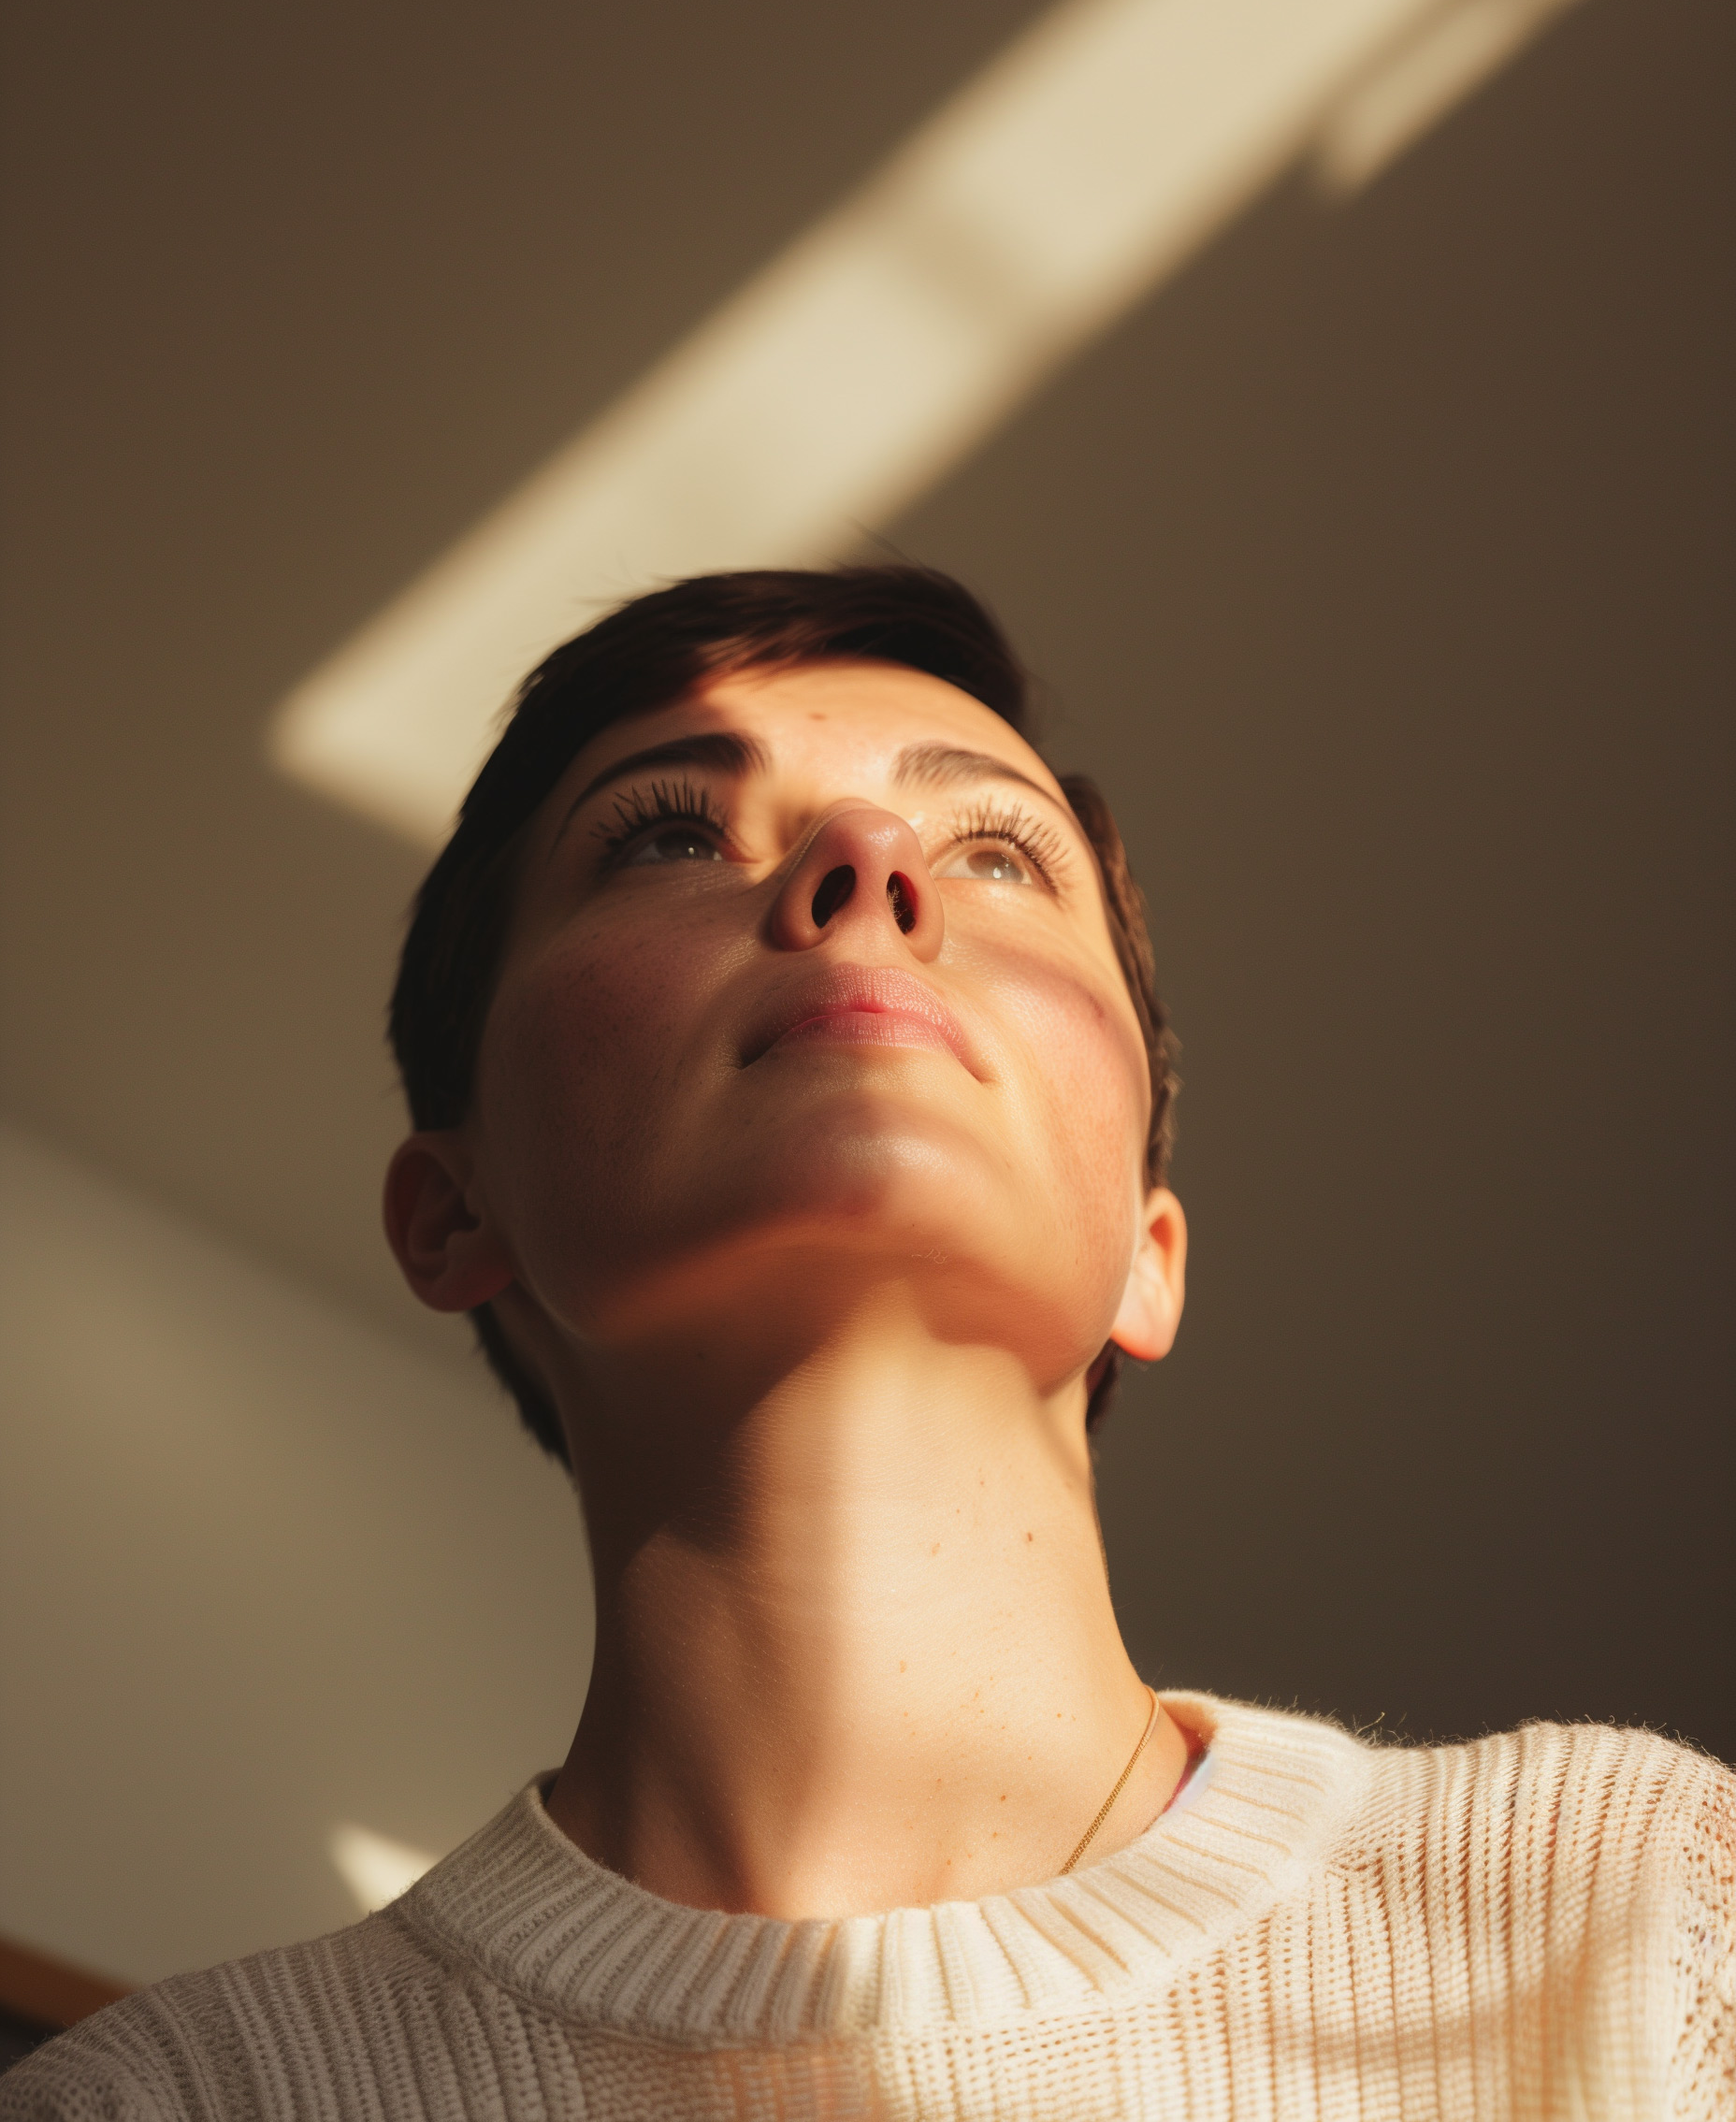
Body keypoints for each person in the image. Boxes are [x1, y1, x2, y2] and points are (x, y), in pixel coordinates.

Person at [7, 566, 1730, 2121]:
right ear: (453, 1216)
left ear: (1149, 1249)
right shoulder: (174, 2102)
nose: (870, 864)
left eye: (996, 853)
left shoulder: (1641, 1919)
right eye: (671, 836)